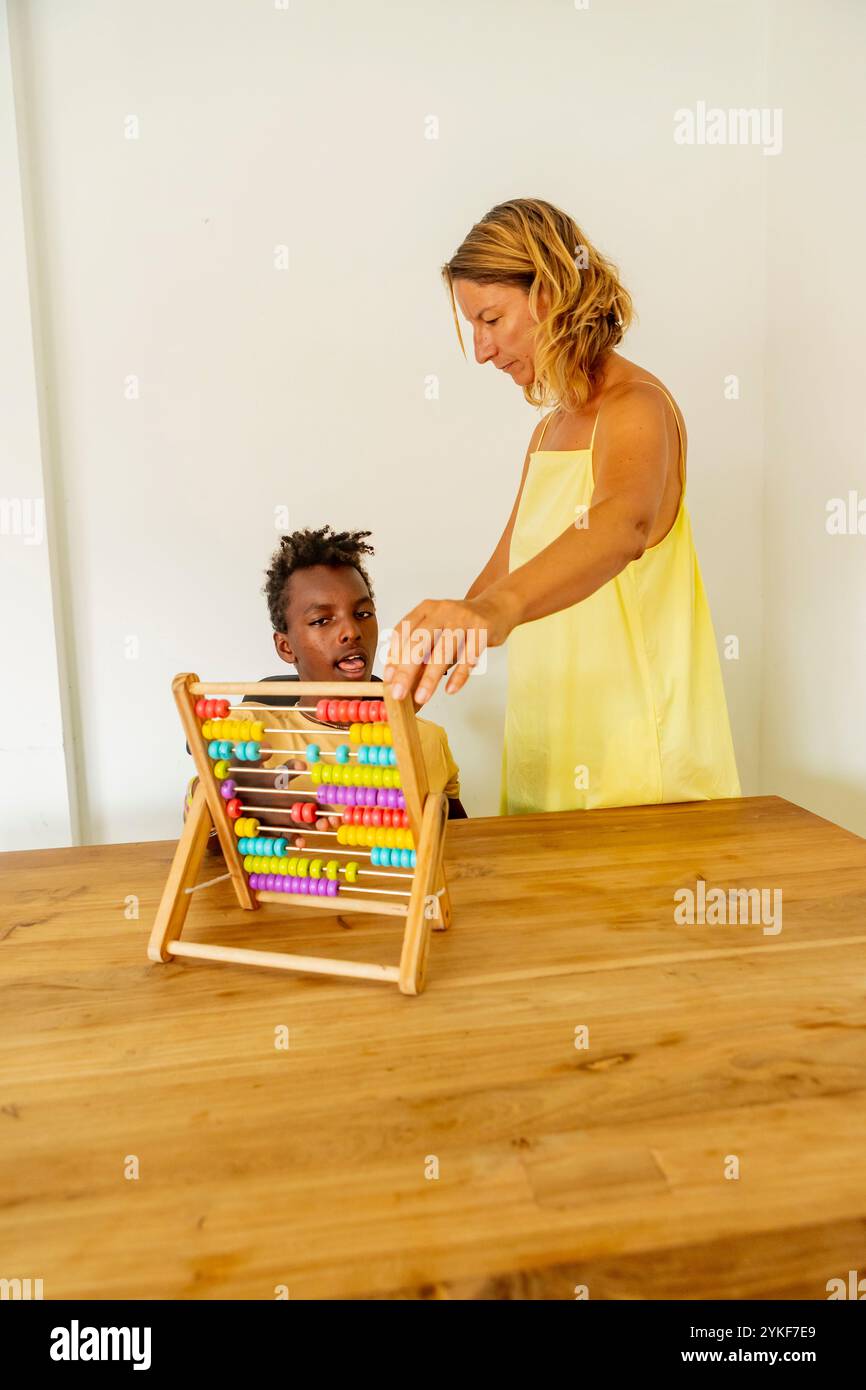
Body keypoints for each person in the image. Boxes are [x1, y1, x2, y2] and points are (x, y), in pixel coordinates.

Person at [382, 198, 741, 813]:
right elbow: (507, 569)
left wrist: (493, 611)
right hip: (549, 765)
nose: (481, 350)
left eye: (491, 319)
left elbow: (619, 526)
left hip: (637, 780)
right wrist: (438, 646)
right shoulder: (548, 432)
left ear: (547, 292)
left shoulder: (639, 407)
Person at [185, 525, 466, 854]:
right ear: (286, 647)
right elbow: (205, 846)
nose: (351, 631)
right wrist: (228, 794)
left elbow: (464, 846)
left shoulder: (427, 738)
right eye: (321, 620)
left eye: (363, 614)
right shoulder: (248, 731)